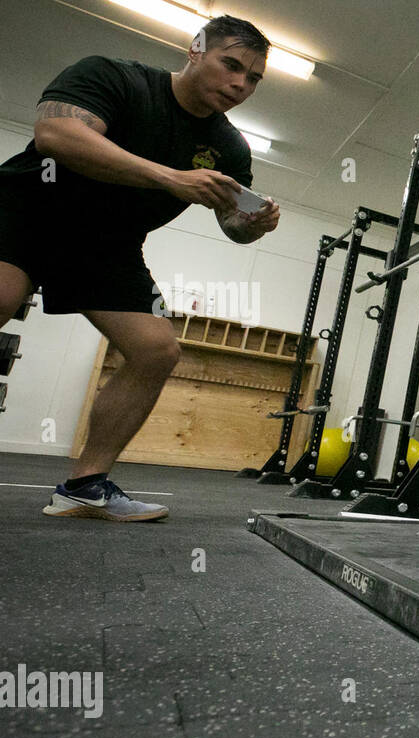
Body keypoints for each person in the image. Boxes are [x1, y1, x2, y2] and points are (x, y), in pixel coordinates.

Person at [0, 15, 280, 521]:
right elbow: (55, 135)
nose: (241, 84)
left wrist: (255, 224)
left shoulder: (231, 147)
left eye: (254, 78)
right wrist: (169, 177)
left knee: (156, 350)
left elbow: (233, 226)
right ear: (196, 50)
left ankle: (85, 486)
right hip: (26, 209)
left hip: (108, 245)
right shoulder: (115, 76)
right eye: (231, 65)